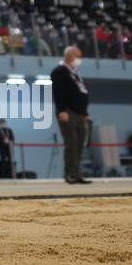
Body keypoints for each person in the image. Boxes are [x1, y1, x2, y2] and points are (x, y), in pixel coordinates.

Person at [51, 45, 91, 184]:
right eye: (77, 56)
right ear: (69, 56)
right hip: (68, 112)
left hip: (79, 113)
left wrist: (85, 112)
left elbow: (81, 92)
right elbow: (58, 92)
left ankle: (77, 172)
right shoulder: (60, 71)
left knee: (80, 143)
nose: (79, 60)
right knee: (72, 143)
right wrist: (61, 110)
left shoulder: (75, 73)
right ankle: (70, 174)